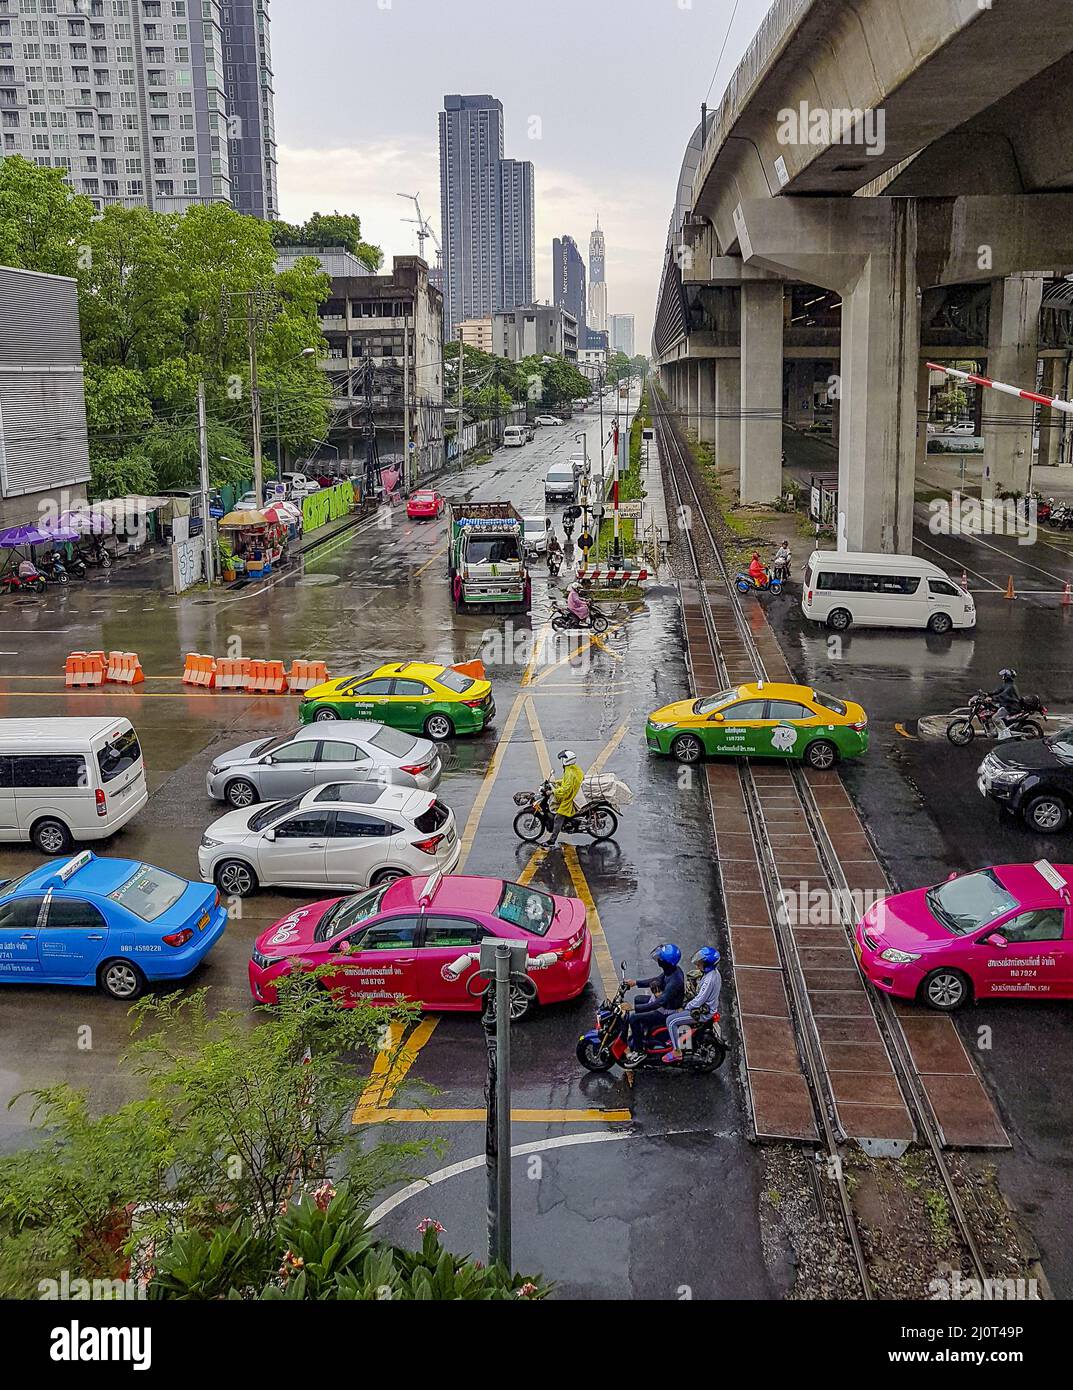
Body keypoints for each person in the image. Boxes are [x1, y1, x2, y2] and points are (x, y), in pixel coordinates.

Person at [621, 944, 685, 1063]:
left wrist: (633, 1008)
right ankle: (641, 1033)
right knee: (638, 998)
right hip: (663, 1005)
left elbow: (659, 1002)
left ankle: (639, 1052)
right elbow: (656, 980)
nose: (658, 960)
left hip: (666, 1011)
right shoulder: (672, 970)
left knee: (634, 1018)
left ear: (666, 962)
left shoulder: (675, 981)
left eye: (660, 959)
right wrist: (635, 982)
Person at [662, 947, 722, 1063]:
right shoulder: (713, 973)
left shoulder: (709, 980)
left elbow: (699, 1000)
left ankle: (676, 1052)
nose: (698, 964)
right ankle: (676, 1038)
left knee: (671, 1020)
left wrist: (685, 1007)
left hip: (702, 1012)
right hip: (707, 1006)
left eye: (701, 962)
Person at [543, 748, 585, 847]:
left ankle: (552, 841)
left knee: (558, 818)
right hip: (574, 792)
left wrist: (553, 791)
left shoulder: (569, 772)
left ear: (567, 760)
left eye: (563, 758)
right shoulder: (572, 768)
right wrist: (556, 782)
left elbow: (566, 790)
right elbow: (566, 782)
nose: (562, 760)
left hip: (569, 798)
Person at [989, 667, 1022, 740]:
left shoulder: (1010, 687)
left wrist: (992, 698)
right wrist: (987, 694)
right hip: (1008, 705)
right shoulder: (1007, 685)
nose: (1002, 677)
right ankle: (999, 731)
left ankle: (1005, 733)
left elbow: (1003, 695)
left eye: (1004, 675)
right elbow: (998, 691)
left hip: (1011, 707)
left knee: (995, 718)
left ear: (1007, 676)